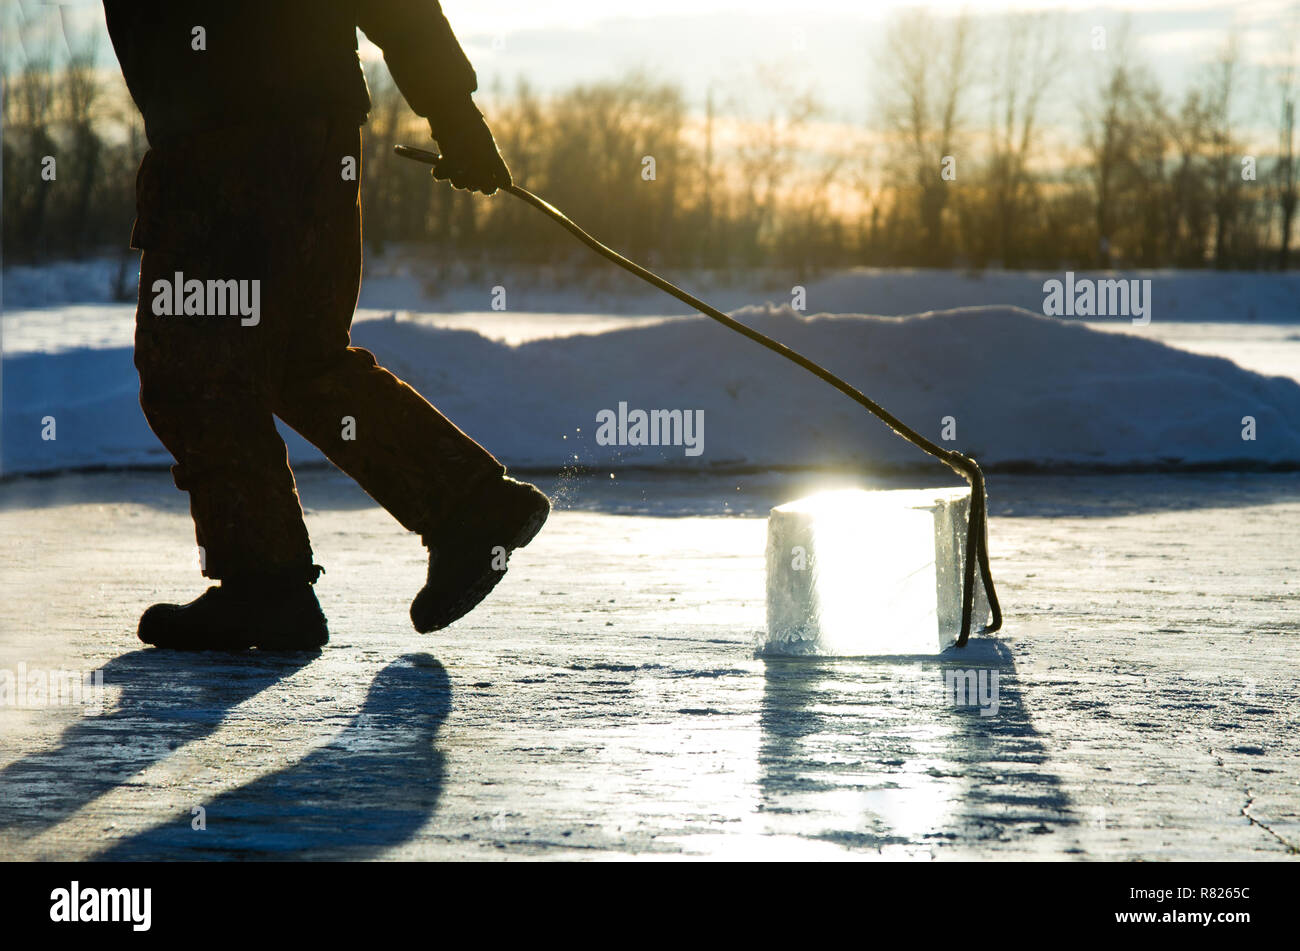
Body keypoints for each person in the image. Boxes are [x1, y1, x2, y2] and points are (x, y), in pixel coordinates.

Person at [102, 1, 550, 650]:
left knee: (194, 370)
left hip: (226, 142)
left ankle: (265, 585)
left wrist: (454, 107)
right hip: (307, 130)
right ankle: (466, 508)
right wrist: (450, 105)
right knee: (300, 359)